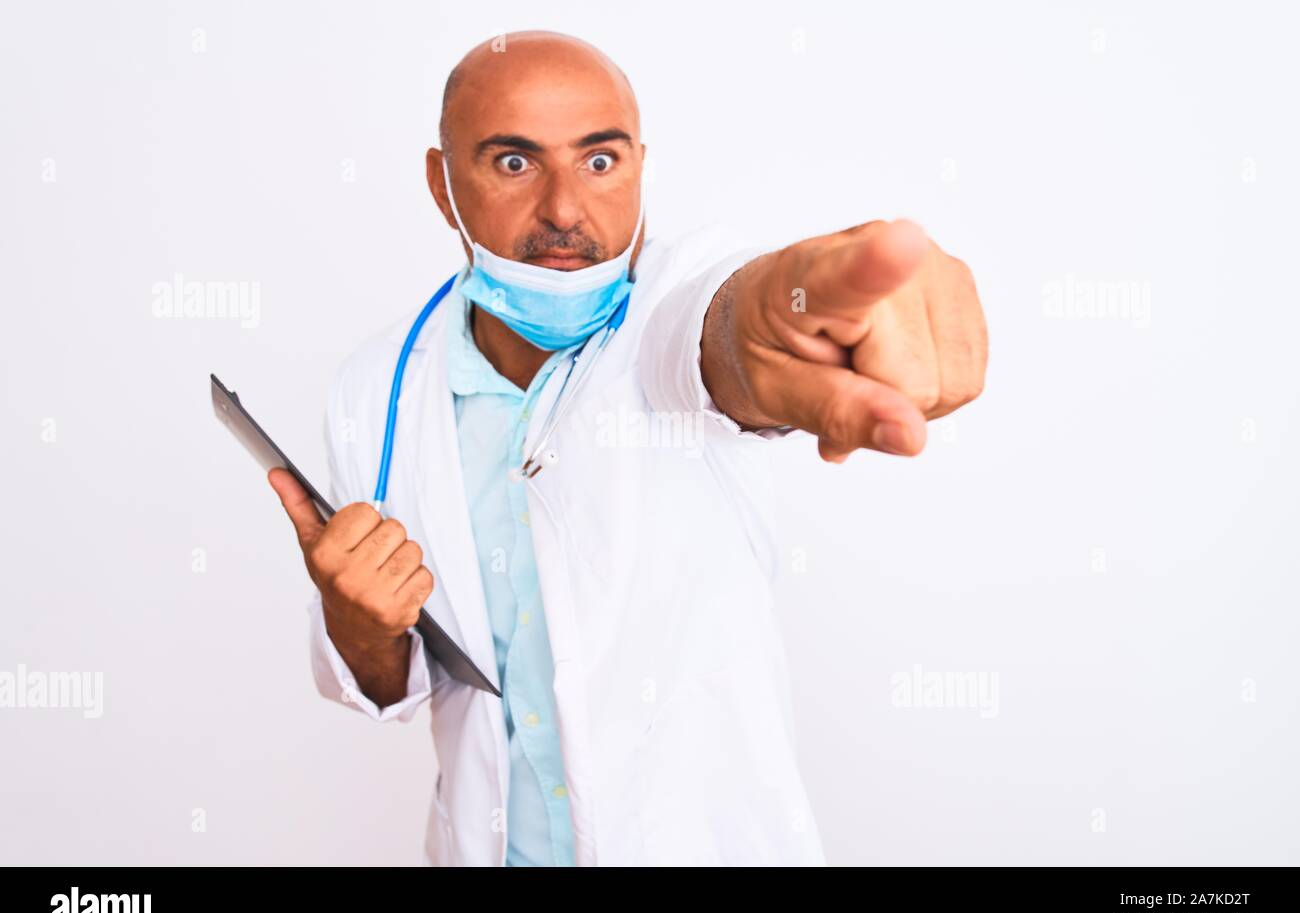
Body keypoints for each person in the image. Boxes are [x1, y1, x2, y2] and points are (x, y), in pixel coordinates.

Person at [268, 30, 987, 866]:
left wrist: (769, 323)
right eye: (514, 163)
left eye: (600, 162)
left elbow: (720, 329)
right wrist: (358, 624)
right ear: (442, 184)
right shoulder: (376, 389)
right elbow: (401, 682)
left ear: (640, 165)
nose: (566, 209)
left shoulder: (665, 315)